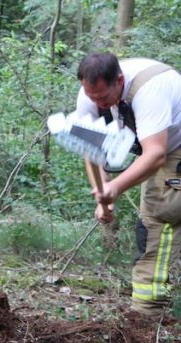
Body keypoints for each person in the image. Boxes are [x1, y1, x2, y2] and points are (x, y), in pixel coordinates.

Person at [75, 53, 181, 316]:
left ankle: (147, 316)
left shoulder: (150, 90)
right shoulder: (89, 94)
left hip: (172, 148)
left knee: (160, 215)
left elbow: (155, 154)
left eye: (101, 97)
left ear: (119, 80)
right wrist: (104, 196)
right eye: (91, 96)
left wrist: (114, 189)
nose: (97, 103)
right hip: (162, 147)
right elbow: (90, 150)